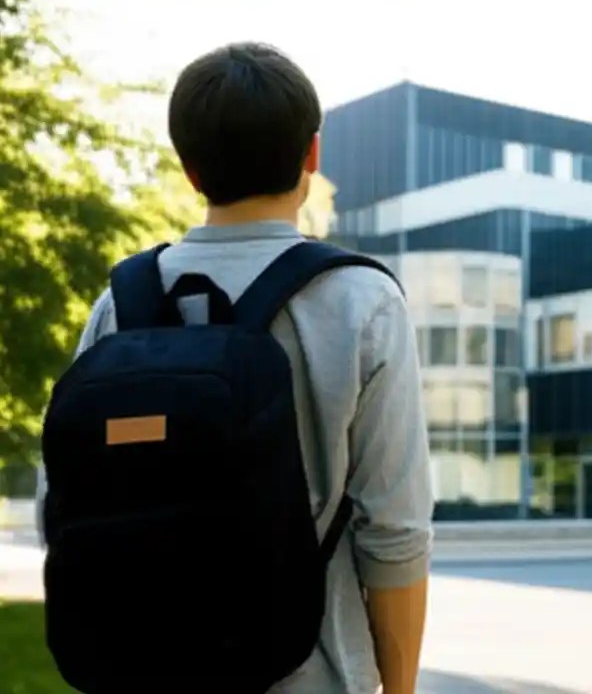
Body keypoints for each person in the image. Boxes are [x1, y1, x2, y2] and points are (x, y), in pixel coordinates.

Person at [36, 42, 433, 694]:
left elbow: (63, 503)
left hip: (143, 672)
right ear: (312, 154)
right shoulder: (362, 302)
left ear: (189, 169)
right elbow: (395, 532)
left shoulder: (122, 303)